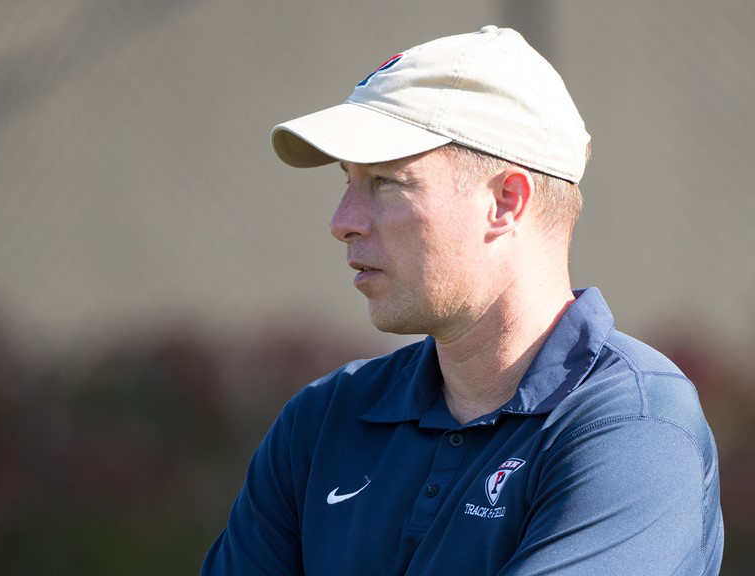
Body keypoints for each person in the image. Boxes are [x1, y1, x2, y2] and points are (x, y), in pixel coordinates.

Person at [201, 25, 723, 575]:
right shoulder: (323, 419)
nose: (342, 222)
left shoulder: (633, 426)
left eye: (386, 182)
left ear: (505, 202)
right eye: (347, 181)